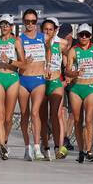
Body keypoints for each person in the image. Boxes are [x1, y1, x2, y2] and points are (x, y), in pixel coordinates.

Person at [65, 23, 93, 164]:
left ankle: (89, 150)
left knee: (88, 120)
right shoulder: (73, 50)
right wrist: (75, 73)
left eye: (86, 35)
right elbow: (67, 70)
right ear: (78, 36)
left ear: (90, 36)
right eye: (81, 35)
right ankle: (81, 150)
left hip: (90, 87)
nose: (84, 37)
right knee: (77, 120)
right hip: (77, 87)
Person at [15, 8, 48, 161]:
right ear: (23, 22)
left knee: (35, 112)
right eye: (27, 21)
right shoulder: (19, 39)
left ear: (36, 22)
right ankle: (27, 147)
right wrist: (22, 62)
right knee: (24, 114)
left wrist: (47, 66)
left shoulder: (43, 37)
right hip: (23, 79)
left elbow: (54, 49)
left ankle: (37, 147)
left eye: (33, 21)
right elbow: (18, 61)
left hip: (38, 80)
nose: (30, 24)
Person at [0, 15, 23, 160]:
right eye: (2, 24)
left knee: (8, 118)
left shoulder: (16, 41)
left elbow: (23, 64)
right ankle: (2, 146)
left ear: (11, 26)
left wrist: (9, 60)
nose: (4, 27)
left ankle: (4, 140)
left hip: (12, 78)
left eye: (7, 25)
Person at [42, 16, 69, 160]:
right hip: (41, 81)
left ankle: (59, 146)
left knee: (56, 114)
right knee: (42, 115)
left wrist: (68, 75)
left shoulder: (62, 44)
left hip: (56, 81)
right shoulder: (38, 42)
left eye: (50, 29)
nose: (48, 31)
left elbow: (68, 60)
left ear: (55, 31)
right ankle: (44, 144)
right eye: (45, 29)